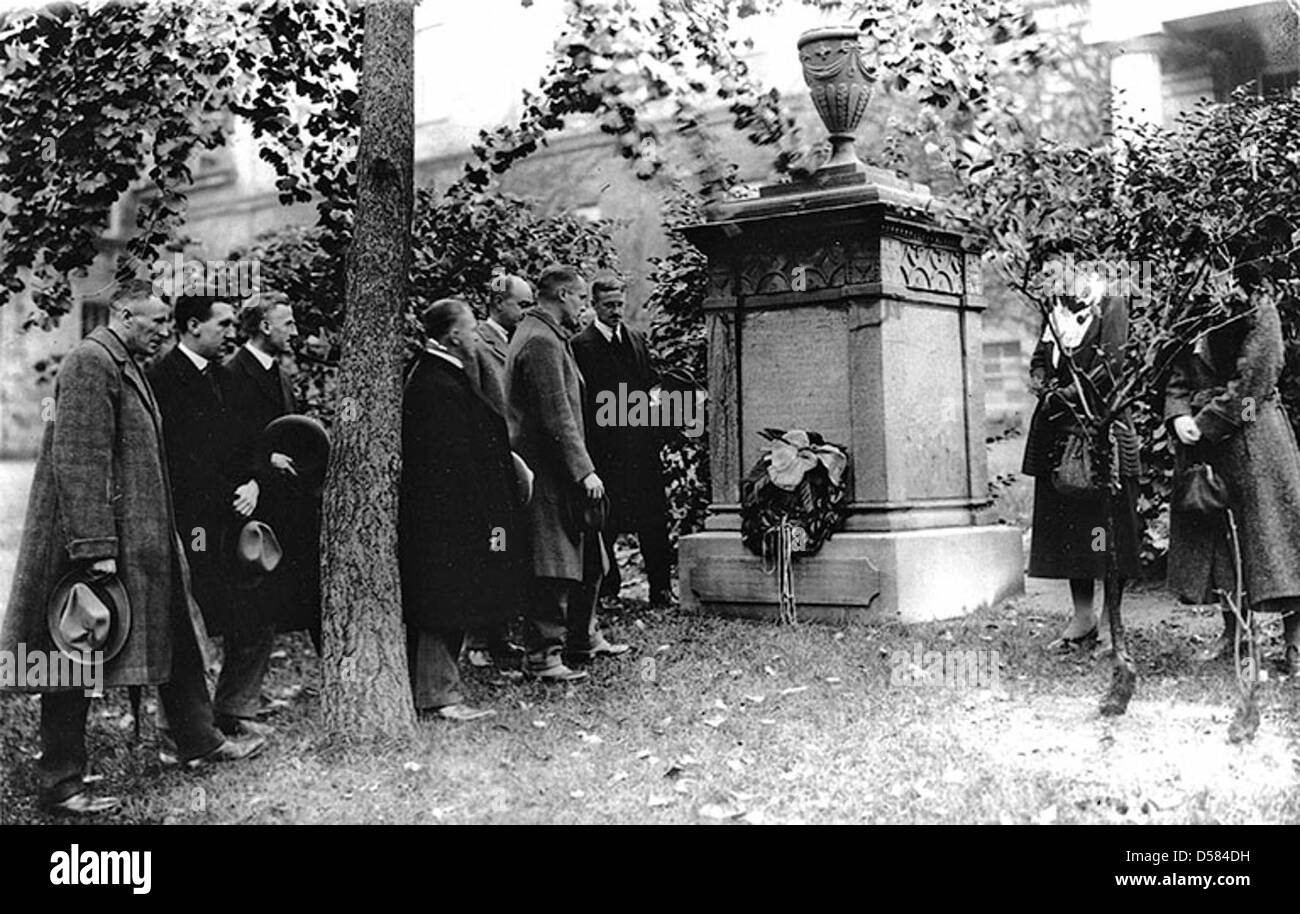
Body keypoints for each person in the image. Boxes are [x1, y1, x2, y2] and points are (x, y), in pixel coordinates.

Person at [0, 280, 264, 816]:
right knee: (72, 654)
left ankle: (198, 740)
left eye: (169, 323)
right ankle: (61, 780)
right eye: (157, 323)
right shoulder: (91, 362)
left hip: (141, 538)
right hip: (96, 545)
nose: (166, 333)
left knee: (175, 634)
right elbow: (79, 459)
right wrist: (95, 546)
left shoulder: (125, 361)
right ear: (123, 314)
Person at [149, 293, 271, 738]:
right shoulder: (161, 378)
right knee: (187, 620)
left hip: (233, 519)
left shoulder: (226, 375)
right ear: (193, 325)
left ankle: (234, 708)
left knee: (254, 610)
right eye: (222, 324)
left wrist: (255, 480)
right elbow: (178, 459)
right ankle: (179, 727)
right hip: (191, 524)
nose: (231, 333)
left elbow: (250, 439)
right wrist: (227, 492)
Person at [1165, 287, 1300, 673]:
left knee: (1276, 543)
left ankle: (1295, 645)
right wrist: (1177, 416)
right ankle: (1235, 634)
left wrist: (1208, 422)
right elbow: (1176, 371)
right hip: (1206, 444)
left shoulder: (1258, 305)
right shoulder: (1191, 304)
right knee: (1221, 543)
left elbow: (1253, 387)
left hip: (1256, 441)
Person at [400, 299, 523, 720]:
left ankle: (439, 690)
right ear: (452, 335)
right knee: (442, 603)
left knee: (450, 599)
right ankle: (440, 696)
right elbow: (454, 464)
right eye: (470, 329)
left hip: (454, 517)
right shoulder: (435, 384)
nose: (475, 336)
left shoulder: (440, 376)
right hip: (448, 520)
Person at [506, 264, 629, 680]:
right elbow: (556, 417)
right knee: (553, 564)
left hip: (557, 471)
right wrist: (584, 471)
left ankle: (582, 637)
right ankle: (544, 656)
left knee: (590, 558)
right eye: (580, 298)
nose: (584, 306)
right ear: (562, 295)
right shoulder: (540, 341)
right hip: (549, 474)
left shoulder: (544, 335)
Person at [1022, 278, 1142, 650]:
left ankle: (1110, 620)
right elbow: (1041, 359)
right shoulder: (1056, 309)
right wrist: (1042, 383)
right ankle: (1082, 615)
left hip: (1100, 430)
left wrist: (1067, 396)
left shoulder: (1112, 303)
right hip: (1058, 434)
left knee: (1102, 530)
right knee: (1070, 528)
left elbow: (1111, 367)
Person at [218, 292, 318, 727]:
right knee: (251, 612)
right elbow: (225, 446)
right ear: (264, 327)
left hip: (286, 509)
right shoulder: (231, 375)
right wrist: (263, 465)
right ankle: (235, 707)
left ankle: (245, 700)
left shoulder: (278, 374)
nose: (294, 330)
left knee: (277, 607)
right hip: (251, 514)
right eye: (288, 323)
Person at [571, 270, 674, 606]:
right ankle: (608, 588)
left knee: (654, 520)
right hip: (607, 452)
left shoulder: (636, 339)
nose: (616, 311)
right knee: (607, 523)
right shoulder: (580, 347)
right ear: (594, 305)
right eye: (608, 305)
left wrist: (658, 398)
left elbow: (650, 380)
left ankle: (660, 589)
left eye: (619, 304)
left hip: (642, 449)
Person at [462, 274, 533, 668]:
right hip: (493, 462)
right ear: (497, 303)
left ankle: (501, 633)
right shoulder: (478, 346)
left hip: (519, 463)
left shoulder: (518, 341)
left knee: (509, 549)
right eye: (520, 305)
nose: (525, 312)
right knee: (490, 547)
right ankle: (479, 638)